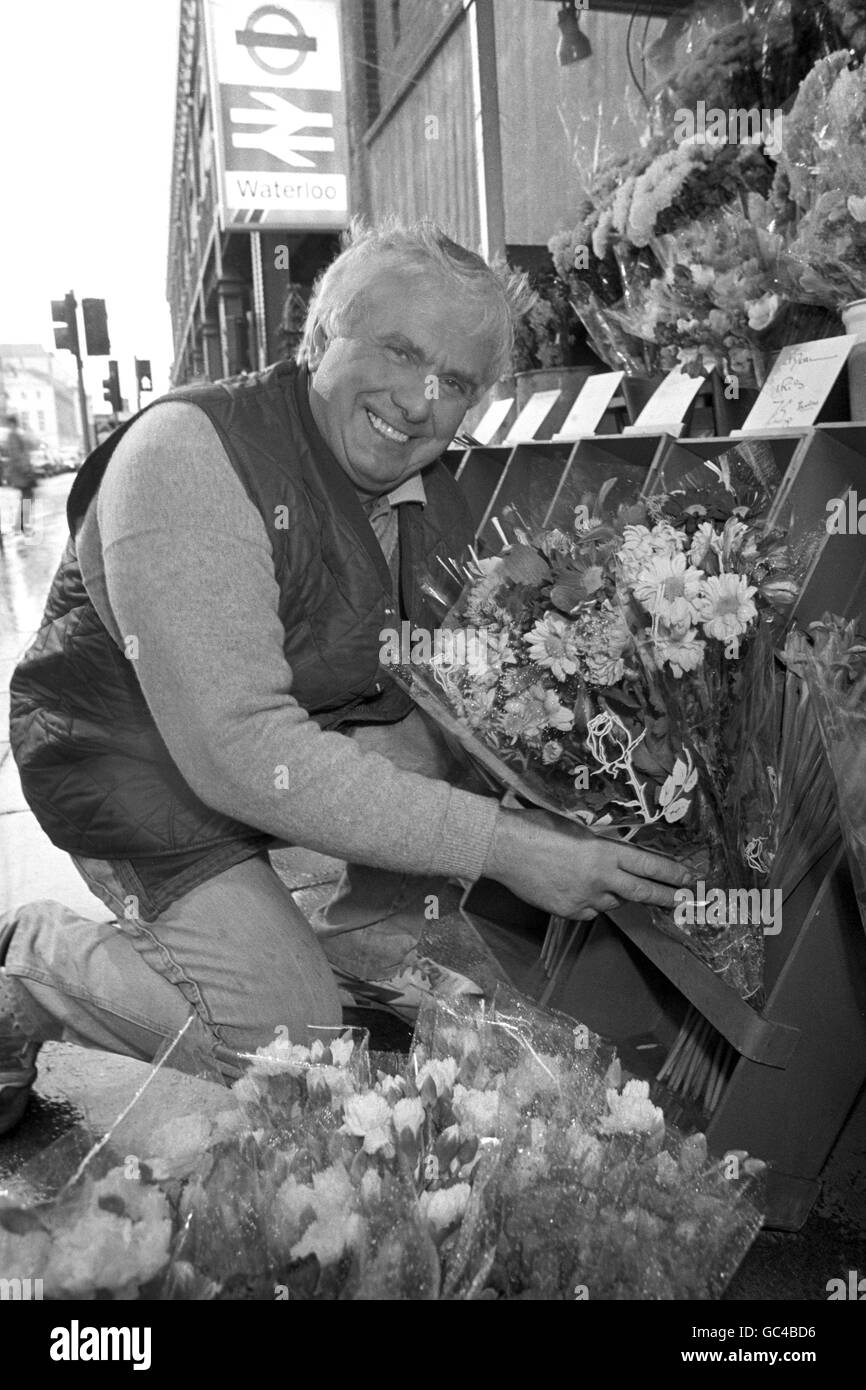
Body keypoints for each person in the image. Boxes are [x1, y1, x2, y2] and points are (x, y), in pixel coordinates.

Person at [0, 219, 692, 1134]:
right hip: (131, 762)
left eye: (456, 384)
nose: (419, 402)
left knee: (452, 956)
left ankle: (302, 925)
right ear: (322, 335)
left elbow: (420, 698)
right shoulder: (189, 455)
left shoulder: (425, 487)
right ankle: (37, 958)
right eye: (401, 352)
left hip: (279, 747)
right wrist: (510, 848)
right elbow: (239, 750)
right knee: (288, 1038)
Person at [1, 413, 38, 537]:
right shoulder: (14, 435)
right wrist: (26, 470)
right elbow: (18, 455)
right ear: (13, 423)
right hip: (21, 474)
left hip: (19, 473)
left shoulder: (12, 435)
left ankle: (21, 525)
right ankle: (21, 525)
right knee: (28, 497)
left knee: (27, 497)